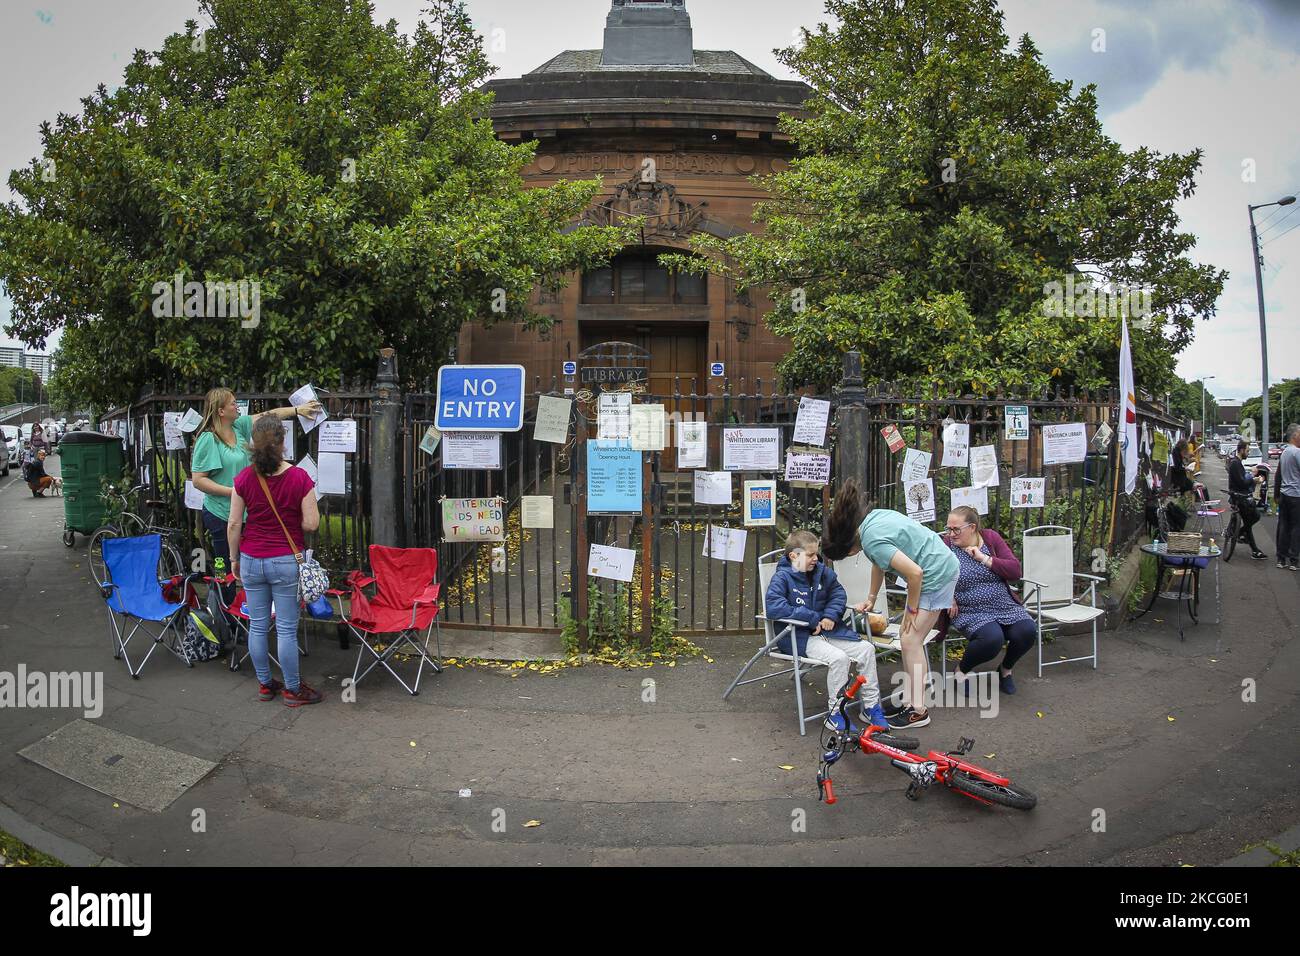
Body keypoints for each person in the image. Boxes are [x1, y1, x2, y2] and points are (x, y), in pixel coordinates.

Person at [822, 479, 959, 730]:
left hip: (935, 573)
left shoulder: (871, 540)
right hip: (938, 565)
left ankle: (918, 710)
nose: (852, 557)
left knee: (910, 641)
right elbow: (880, 562)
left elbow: (915, 574)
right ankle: (910, 702)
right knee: (910, 640)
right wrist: (872, 598)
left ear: (849, 548)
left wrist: (911, 609)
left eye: (847, 555)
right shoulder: (870, 522)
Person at [227, 415, 322, 706]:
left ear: (254, 443)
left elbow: (233, 524)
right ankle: (293, 689)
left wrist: (234, 560)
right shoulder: (299, 478)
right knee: (285, 628)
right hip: (284, 560)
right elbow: (312, 524)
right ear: (283, 442)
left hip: (252, 558)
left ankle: (266, 684)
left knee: (257, 625)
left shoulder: (243, 478)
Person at [190, 388, 321, 585]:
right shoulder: (208, 439)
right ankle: (221, 603)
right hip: (219, 513)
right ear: (220, 411)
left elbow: (267, 416)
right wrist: (233, 492)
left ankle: (241, 607)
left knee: (243, 565)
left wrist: (297, 410)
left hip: (242, 511)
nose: (237, 406)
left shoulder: (239, 427)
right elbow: (198, 480)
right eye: (233, 403)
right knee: (222, 565)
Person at [764, 530, 889, 732]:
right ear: (793, 556)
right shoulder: (782, 578)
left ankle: (871, 707)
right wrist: (812, 618)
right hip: (798, 637)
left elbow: (838, 594)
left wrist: (830, 615)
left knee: (867, 649)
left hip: (830, 632)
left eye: (816, 554)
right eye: (810, 555)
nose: (816, 559)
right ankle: (835, 713)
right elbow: (774, 608)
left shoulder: (823, 572)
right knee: (839, 658)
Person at [938, 507, 1036, 694]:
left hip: (1003, 604)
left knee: (1028, 631)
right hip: (970, 609)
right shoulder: (946, 546)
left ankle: (1005, 670)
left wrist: (984, 558)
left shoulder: (990, 538)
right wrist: (948, 596)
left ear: (972, 527)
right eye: (948, 529)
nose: (951, 534)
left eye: (956, 529)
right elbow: (934, 575)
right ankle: (961, 671)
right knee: (992, 639)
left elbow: (1015, 571)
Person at [1226, 440, 1267, 561]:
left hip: (1238, 496)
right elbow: (1242, 481)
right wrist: (1253, 479)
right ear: (1242, 450)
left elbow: (1241, 480)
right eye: (1247, 451)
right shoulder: (1236, 463)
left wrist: (1251, 477)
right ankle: (1240, 534)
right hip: (1239, 497)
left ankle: (1254, 549)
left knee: (1249, 522)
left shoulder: (1236, 462)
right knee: (1255, 516)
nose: (1248, 453)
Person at [1274, 424, 1300, 572]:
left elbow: (1278, 474)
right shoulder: (1297, 452)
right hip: (1296, 495)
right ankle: (1294, 559)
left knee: (1283, 526)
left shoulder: (1284, 452)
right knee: (1296, 527)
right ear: (1295, 436)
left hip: (1284, 494)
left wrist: (1277, 493)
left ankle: (1281, 558)